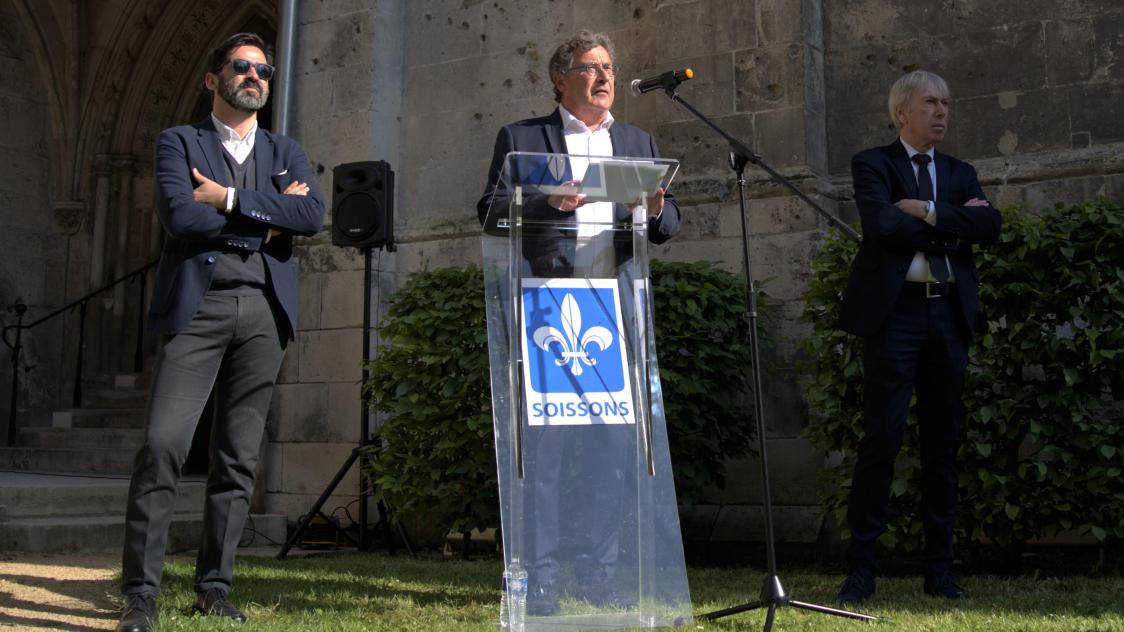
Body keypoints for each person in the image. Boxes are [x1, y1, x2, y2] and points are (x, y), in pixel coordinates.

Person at [116, 32, 325, 632]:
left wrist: (229, 198)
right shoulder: (179, 141)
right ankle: (141, 595)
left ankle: (213, 586)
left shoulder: (287, 149)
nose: (253, 76)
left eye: (262, 69)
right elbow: (180, 215)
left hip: (264, 313)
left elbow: (311, 215)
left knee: (236, 459)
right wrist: (265, 219)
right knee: (162, 447)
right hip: (199, 310)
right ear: (214, 79)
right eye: (240, 67)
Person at [476, 31, 681, 616]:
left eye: (610, 67)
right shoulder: (523, 139)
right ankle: (538, 579)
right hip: (545, 303)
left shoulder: (636, 140)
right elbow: (490, 212)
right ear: (560, 79)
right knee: (547, 448)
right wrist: (549, 202)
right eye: (591, 68)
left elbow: (666, 228)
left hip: (615, 308)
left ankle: (599, 572)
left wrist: (658, 207)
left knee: (609, 447)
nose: (604, 77)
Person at [835, 70, 1001, 604]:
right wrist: (956, 225)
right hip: (895, 318)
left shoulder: (960, 171)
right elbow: (883, 226)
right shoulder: (873, 164)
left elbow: (991, 228)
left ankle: (940, 571)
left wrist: (928, 212)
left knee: (942, 447)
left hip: (947, 318)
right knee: (881, 440)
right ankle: (862, 569)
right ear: (902, 112)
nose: (942, 112)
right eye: (931, 103)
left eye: (946, 103)